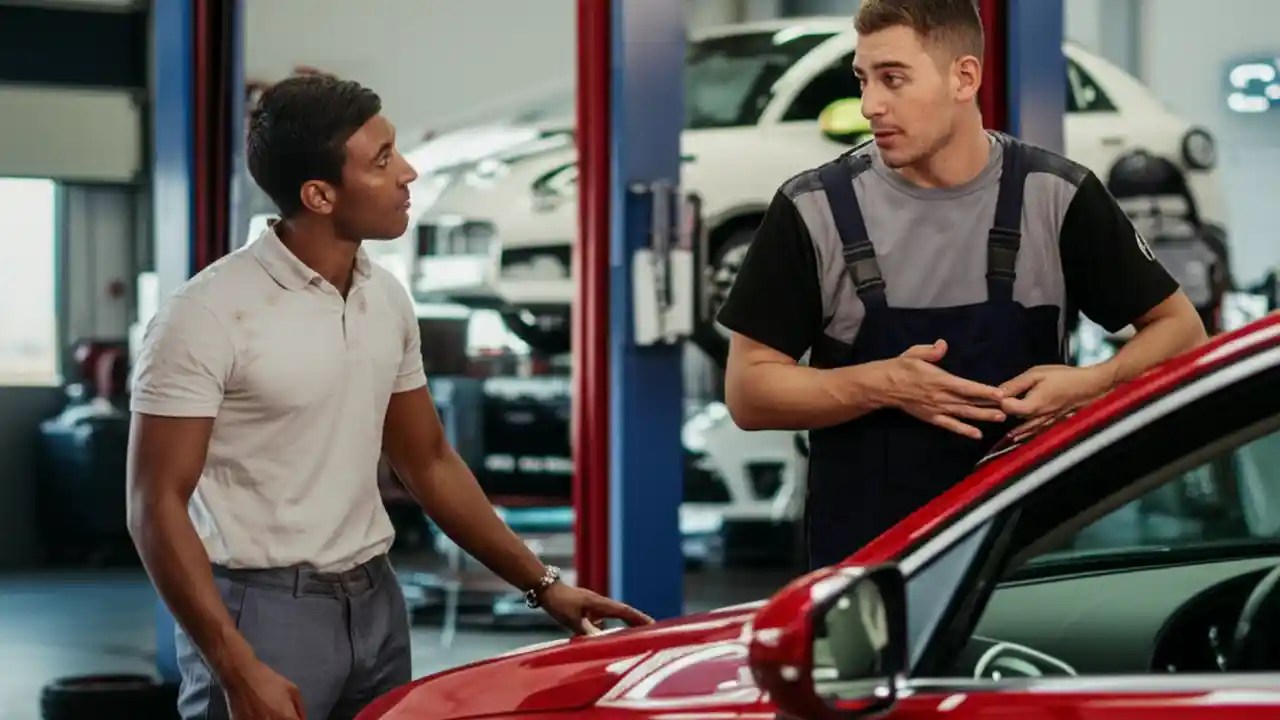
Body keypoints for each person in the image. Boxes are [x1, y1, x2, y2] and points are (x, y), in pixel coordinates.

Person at [126, 75, 652, 720]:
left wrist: (544, 585)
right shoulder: (204, 315)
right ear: (319, 194)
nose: (408, 172)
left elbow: (427, 459)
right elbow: (155, 505)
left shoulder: (386, 296)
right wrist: (235, 663)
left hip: (377, 600)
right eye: (381, 161)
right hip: (261, 612)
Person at [717, 0, 1208, 571]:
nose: (870, 104)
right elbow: (749, 392)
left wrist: (1092, 383)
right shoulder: (813, 209)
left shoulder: (1055, 197)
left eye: (893, 79)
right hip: (863, 585)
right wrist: (883, 385)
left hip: (1021, 574)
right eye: (863, 79)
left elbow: (1181, 330)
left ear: (964, 77)